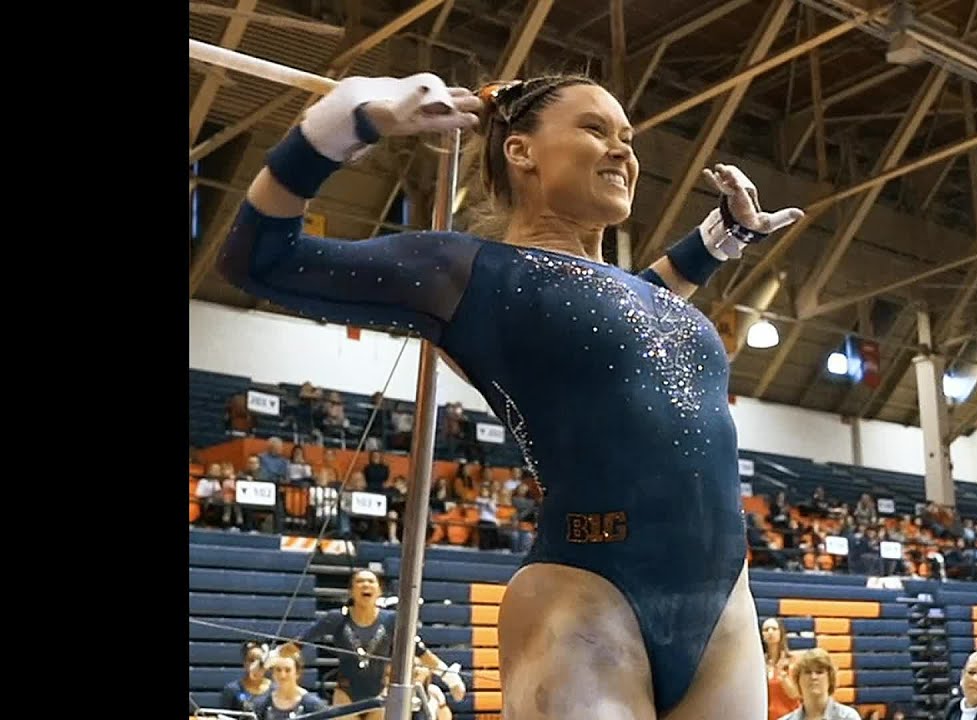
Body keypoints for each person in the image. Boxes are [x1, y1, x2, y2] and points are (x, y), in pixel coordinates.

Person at [217, 68, 804, 719]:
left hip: (724, 606)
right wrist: (340, 126)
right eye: (596, 129)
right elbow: (258, 258)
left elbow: (627, 310)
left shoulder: (645, 295)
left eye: (628, 138)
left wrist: (722, 236)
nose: (622, 150)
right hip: (590, 594)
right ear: (520, 150)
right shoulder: (471, 273)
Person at [274, 570, 465, 720]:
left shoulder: (391, 620)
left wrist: (450, 678)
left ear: (379, 591)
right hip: (346, 695)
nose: (365, 584)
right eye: (359, 581)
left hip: (379, 695)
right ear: (351, 591)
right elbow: (297, 644)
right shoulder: (336, 619)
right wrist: (272, 657)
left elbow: (422, 653)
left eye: (371, 581)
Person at [776, 648, 861, 720]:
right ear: (798, 680)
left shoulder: (848, 717)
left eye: (819, 672)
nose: (813, 677)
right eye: (807, 672)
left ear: (830, 679)